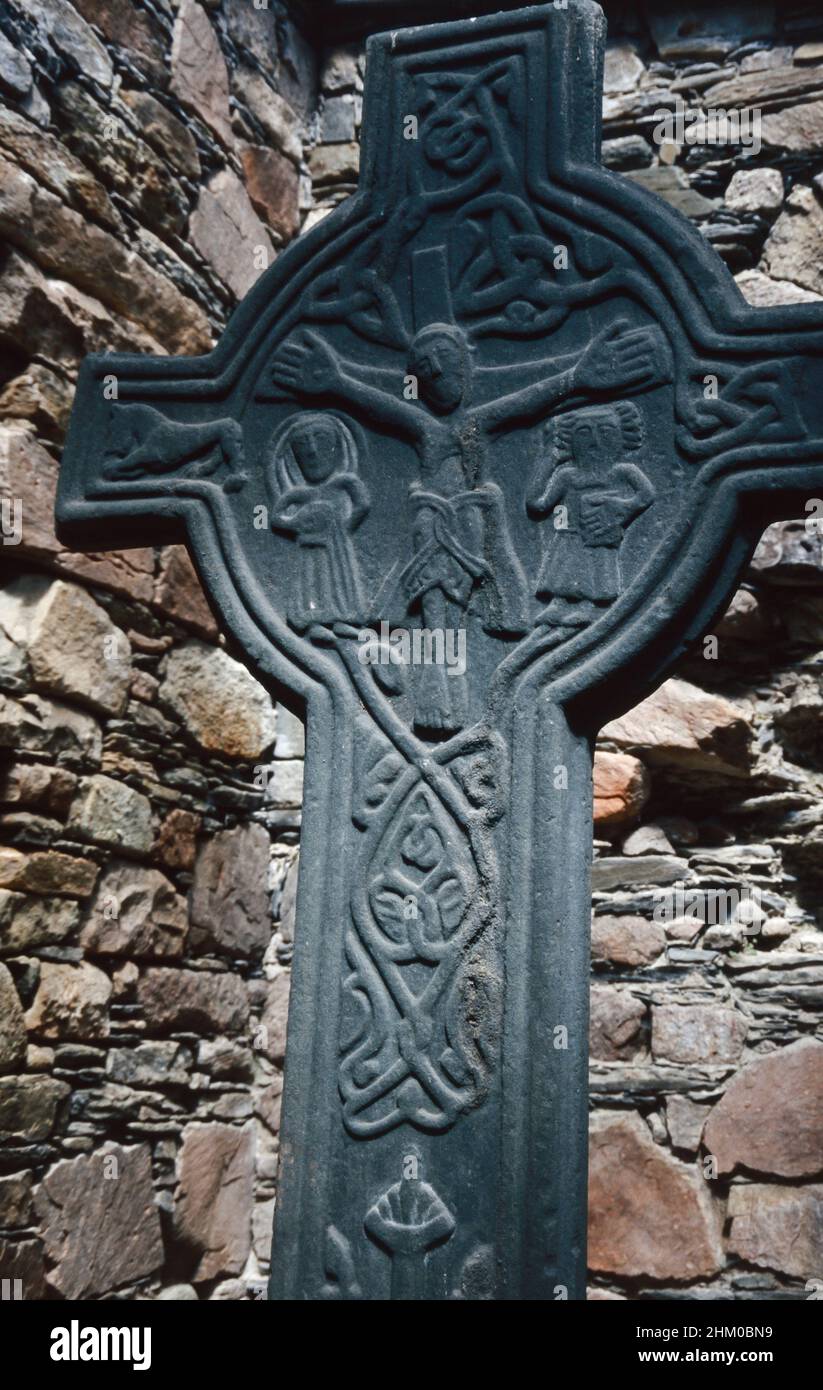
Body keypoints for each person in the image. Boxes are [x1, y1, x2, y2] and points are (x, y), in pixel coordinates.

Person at [528, 401, 655, 627]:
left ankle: (592, 607)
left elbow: (646, 495)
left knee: (597, 570)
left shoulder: (623, 471)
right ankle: (559, 604)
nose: (595, 442)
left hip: (599, 534)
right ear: (571, 440)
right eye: (584, 433)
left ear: (623, 437)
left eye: (606, 432)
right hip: (570, 534)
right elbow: (537, 504)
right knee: (564, 569)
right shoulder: (567, 474)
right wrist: (549, 459)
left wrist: (622, 507)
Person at [268, 413, 370, 633]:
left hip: (336, 545)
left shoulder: (345, 482)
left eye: (321, 438)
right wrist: (298, 523)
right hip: (309, 544)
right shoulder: (301, 493)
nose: (312, 451)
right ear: (292, 454)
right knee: (309, 579)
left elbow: (362, 504)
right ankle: (313, 623)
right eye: (302, 444)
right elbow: (276, 517)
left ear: (338, 444)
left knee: (338, 577)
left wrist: (344, 528)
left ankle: (342, 619)